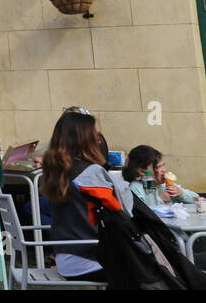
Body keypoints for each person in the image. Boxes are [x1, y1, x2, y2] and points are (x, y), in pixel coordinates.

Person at [40, 106, 132, 283]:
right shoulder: (91, 173)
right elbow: (123, 212)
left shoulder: (55, 170)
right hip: (91, 259)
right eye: (95, 135)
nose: (99, 139)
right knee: (153, 270)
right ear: (85, 139)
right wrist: (124, 183)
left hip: (65, 257)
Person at [123, 145, 199, 206]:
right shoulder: (135, 188)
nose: (164, 170)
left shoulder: (163, 185)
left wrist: (180, 193)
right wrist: (161, 199)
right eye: (158, 167)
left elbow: (197, 198)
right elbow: (142, 213)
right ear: (142, 171)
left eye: (163, 165)